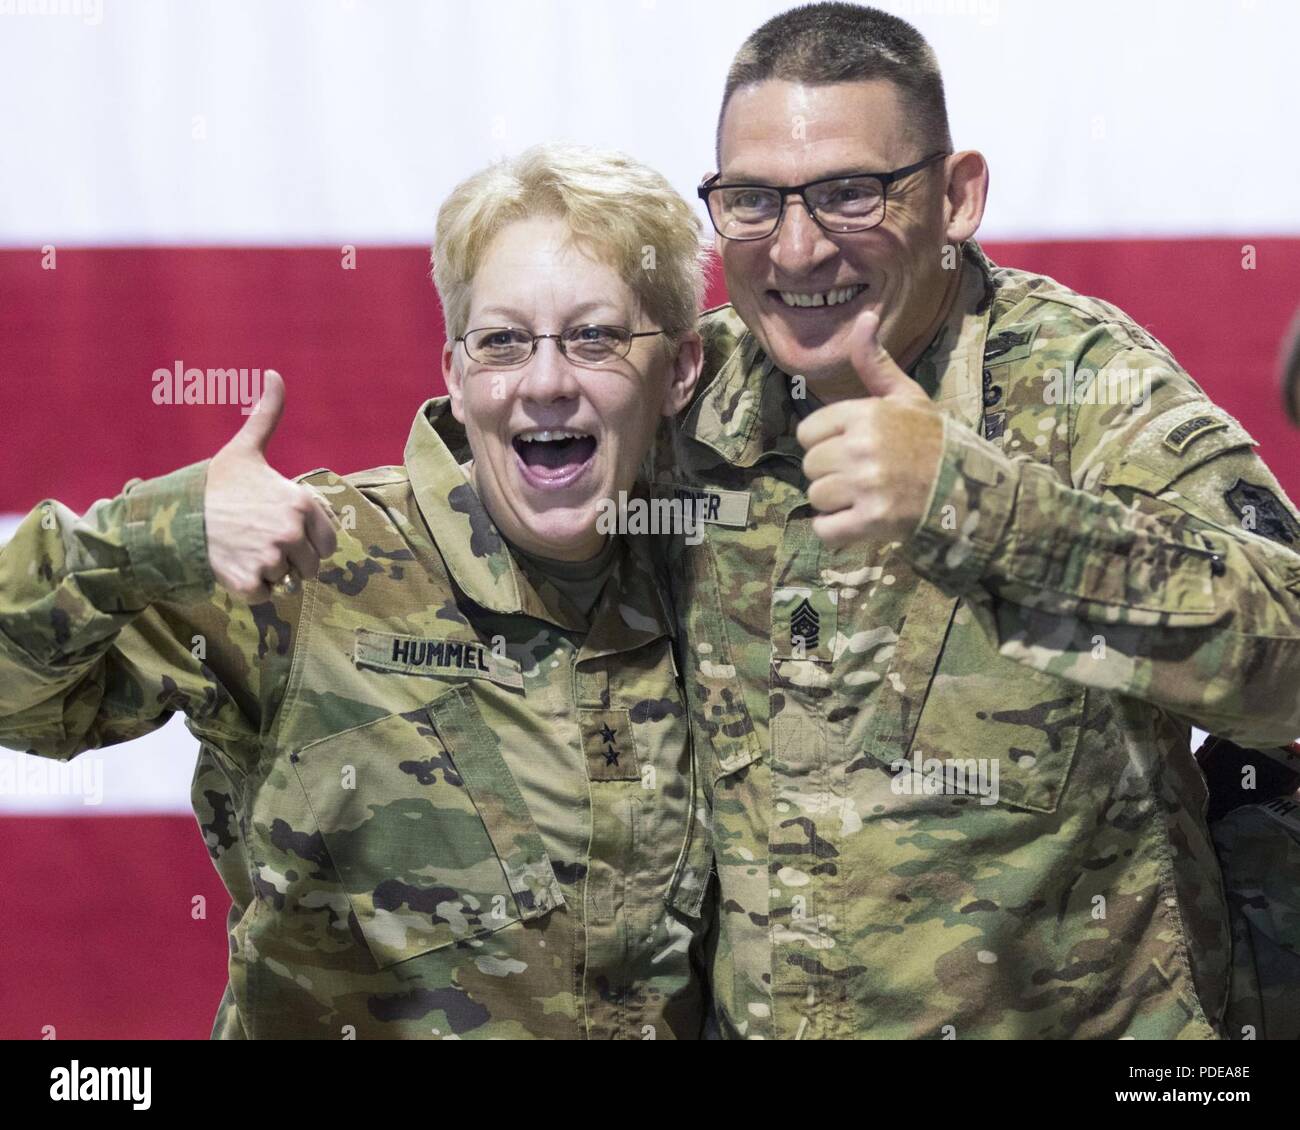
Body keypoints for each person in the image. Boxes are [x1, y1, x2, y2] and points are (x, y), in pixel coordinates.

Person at [649, 2, 1300, 1038]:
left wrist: (978, 508)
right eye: (752, 200)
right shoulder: (685, 395)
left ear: (956, 196)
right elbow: (483, 513)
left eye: (850, 193)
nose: (799, 246)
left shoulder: (1080, 381)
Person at [0, 143, 712, 1039]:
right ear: (455, 376)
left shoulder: (726, 585)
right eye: (501, 342)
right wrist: (157, 532)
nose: (545, 382)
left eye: (595, 337)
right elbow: (14, 701)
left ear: (681, 370)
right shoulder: (311, 566)